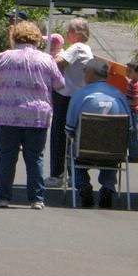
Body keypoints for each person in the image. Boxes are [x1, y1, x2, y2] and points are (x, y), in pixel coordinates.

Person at [0, 20, 65, 209]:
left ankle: (4, 197)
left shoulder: (5, 57)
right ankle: (36, 198)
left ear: (15, 38)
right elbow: (60, 84)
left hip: (7, 114)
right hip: (36, 116)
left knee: (6, 158)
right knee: (35, 158)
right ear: (37, 39)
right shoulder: (46, 59)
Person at [65, 57, 135, 208]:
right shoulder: (119, 95)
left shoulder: (81, 94)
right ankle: (108, 187)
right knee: (112, 152)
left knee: (70, 151)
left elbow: (69, 128)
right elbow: (129, 128)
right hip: (113, 152)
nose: (84, 75)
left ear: (91, 73)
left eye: (85, 71)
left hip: (84, 151)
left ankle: (83, 186)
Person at [45, 18, 94, 188]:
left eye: (70, 31)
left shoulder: (78, 47)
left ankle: (57, 174)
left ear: (79, 33)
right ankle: (74, 174)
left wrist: (43, 59)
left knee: (59, 135)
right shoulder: (85, 49)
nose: (67, 34)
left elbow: (56, 63)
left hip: (66, 96)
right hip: (76, 95)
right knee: (72, 137)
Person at [125, 61, 138, 157]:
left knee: (135, 133)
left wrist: (126, 102)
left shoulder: (136, 85)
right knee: (131, 132)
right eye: (127, 70)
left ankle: (136, 155)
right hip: (131, 111)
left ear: (137, 73)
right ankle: (132, 153)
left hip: (135, 112)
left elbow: (136, 100)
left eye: (130, 71)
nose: (127, 73)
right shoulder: (131, 83)